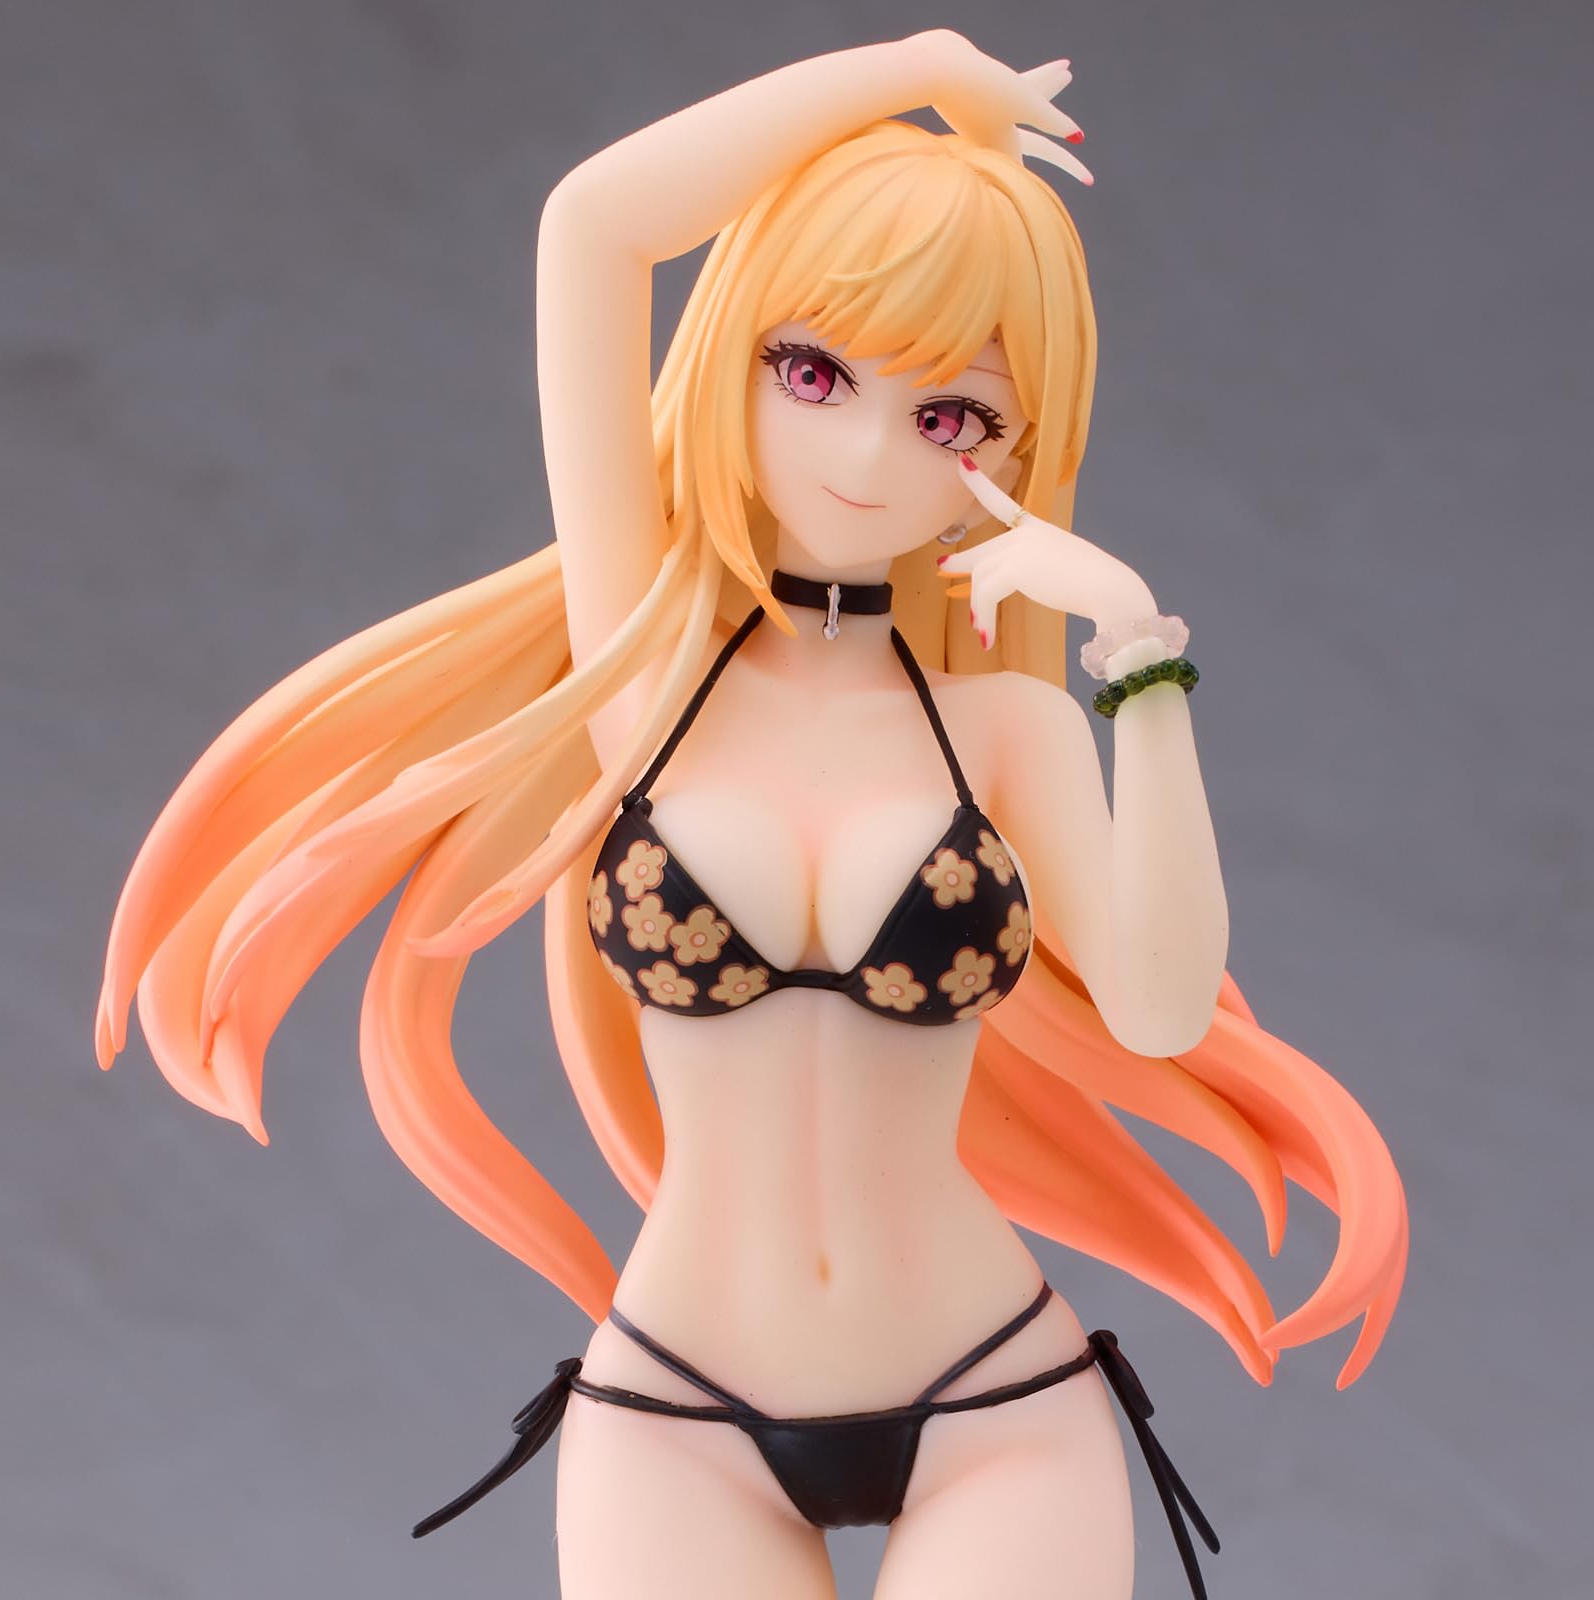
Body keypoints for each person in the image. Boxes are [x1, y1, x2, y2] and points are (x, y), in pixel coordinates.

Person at [95, 31, 1407, 1600]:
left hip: (995, 1394)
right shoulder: (638, 681)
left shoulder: (1009, 730)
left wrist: (1140, 659)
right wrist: (913, 64)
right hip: (680, 1408)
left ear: (1019, 451)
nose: (862, 452)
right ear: (734, 361)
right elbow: (595, 226)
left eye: (949, 417)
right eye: (814, 372)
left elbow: (1160, 1007)